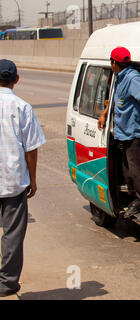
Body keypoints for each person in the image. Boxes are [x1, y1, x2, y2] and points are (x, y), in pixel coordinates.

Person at [0, 59, 46, 297]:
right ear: (16, 79)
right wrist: (33, 179)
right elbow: (31, 148)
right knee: (13, 234)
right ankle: (7, 283)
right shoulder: (22, 107)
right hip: (13, 181)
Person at [97, 47, 140, 223]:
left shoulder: (131, 77)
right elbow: (115, 100)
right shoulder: (118, 78)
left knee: (136, 171)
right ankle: (135, 199)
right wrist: (105, 114)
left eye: (110, 62)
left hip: (134, 132)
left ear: (114, 62)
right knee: (127, 171)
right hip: (122, 133)